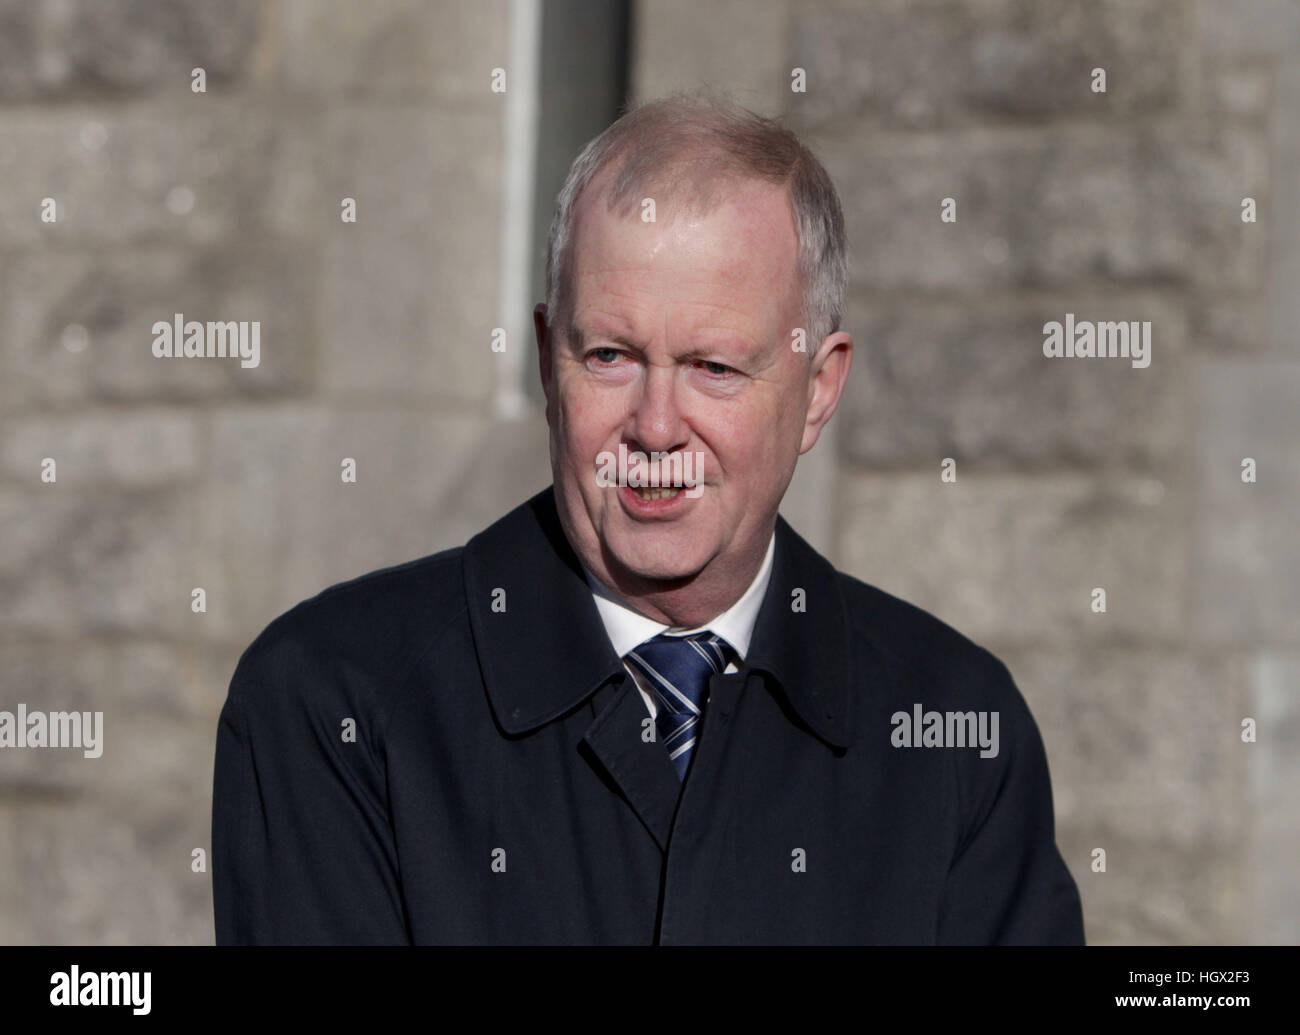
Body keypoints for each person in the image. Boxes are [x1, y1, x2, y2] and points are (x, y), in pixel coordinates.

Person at [212, 91, 1085, 945]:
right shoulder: (331, 700)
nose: (657, 426)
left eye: (713, 366)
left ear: (818, 390)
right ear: (551, 363)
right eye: (610, 356)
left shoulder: (956, 728)